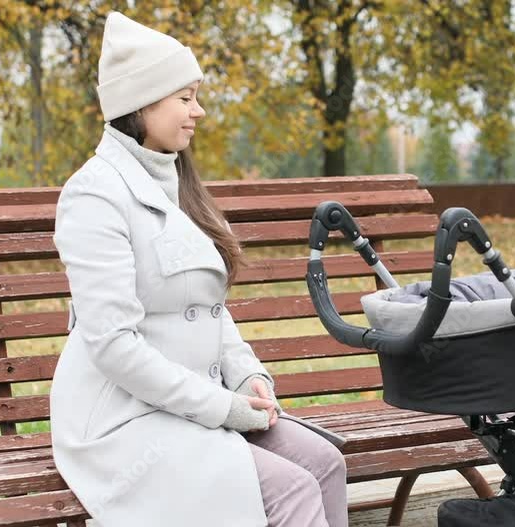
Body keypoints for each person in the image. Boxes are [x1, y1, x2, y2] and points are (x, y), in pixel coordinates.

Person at [48, 11, 348, 527]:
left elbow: (206, 310)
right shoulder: (94, 194)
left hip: (192, 404)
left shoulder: (175, 182)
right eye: (185, 98)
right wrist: (220, 407)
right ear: (142, 103)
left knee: (324, 463)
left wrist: (247, 373)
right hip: (124, 422)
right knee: (290, 490)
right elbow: (113, 347)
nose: (199, 111)